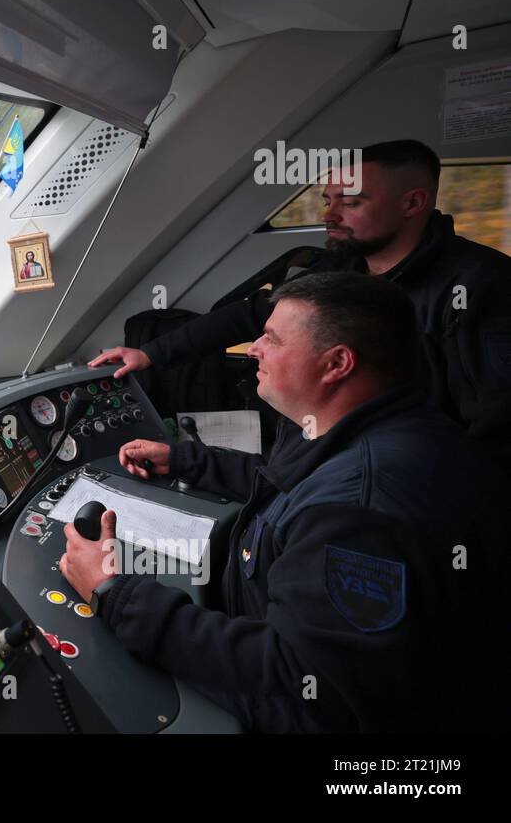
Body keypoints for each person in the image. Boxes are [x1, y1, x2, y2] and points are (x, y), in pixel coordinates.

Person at [60, 272, 502, 732]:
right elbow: (291, 483)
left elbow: (305, 692)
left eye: (271, 338)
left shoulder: (357, 513)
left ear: (336, 364)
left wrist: (116, 595)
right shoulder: (369, 425)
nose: (253, 349)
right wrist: (186, 460)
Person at [87, 140, 511, 461]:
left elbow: (493, 422)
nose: (328, 215)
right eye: (328, 201)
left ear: (413, 203)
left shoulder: (481, 285)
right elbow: (255, 313)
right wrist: (151, 354)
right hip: (330, 447)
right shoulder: (340, 266)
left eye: (351, 202)